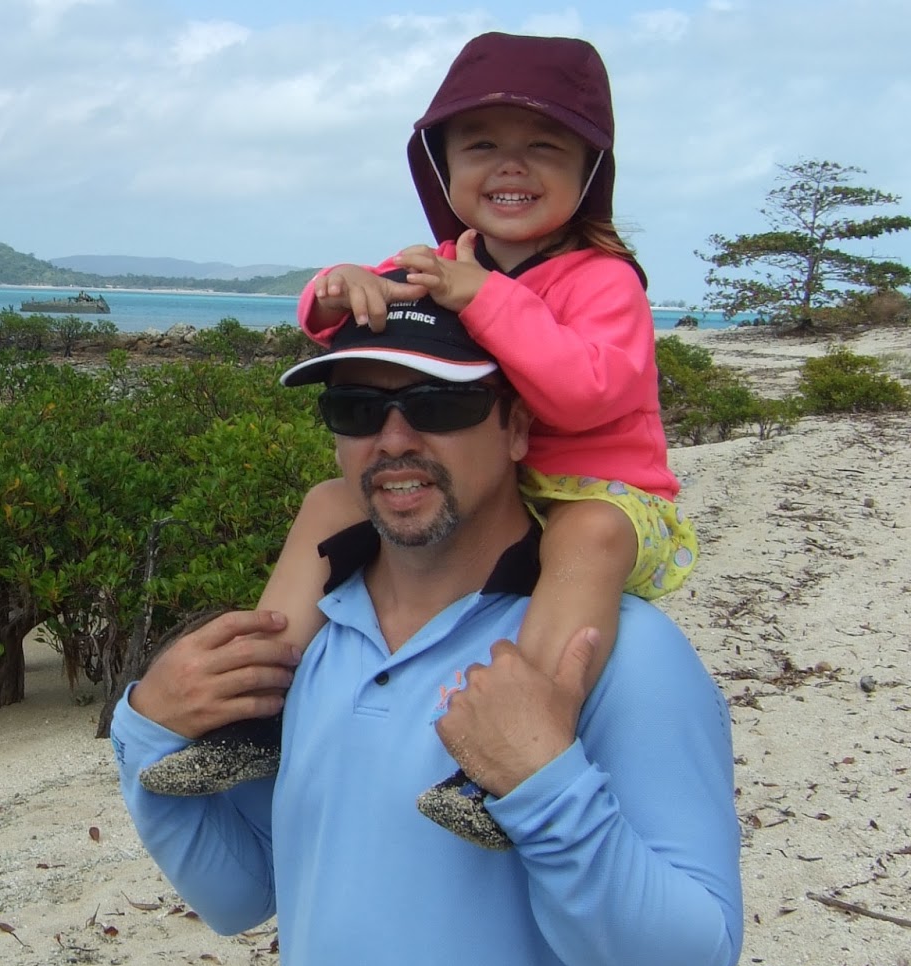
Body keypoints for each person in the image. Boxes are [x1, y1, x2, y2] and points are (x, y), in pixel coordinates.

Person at [111, 299, 742, 966]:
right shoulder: (313, 642)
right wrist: (147, 731)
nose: (394, 440)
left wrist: (546, 787)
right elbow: (239, 895)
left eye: (441, 402)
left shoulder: (620, 655)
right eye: (356, 408)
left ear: (516, 427)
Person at [139, 32, 696, 850]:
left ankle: (516, 741)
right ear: (444, 166)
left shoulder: (601, 279)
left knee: (592, 532)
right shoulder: (438, 261)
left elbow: (583, 396)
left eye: (544, 146)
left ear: (589, 169)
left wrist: (487, 302)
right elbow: (338, 316)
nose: (511, 166)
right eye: (481, 147)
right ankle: (258, 711)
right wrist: (338, 291)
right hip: (492, 488)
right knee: (330, 499)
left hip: (603, 496)